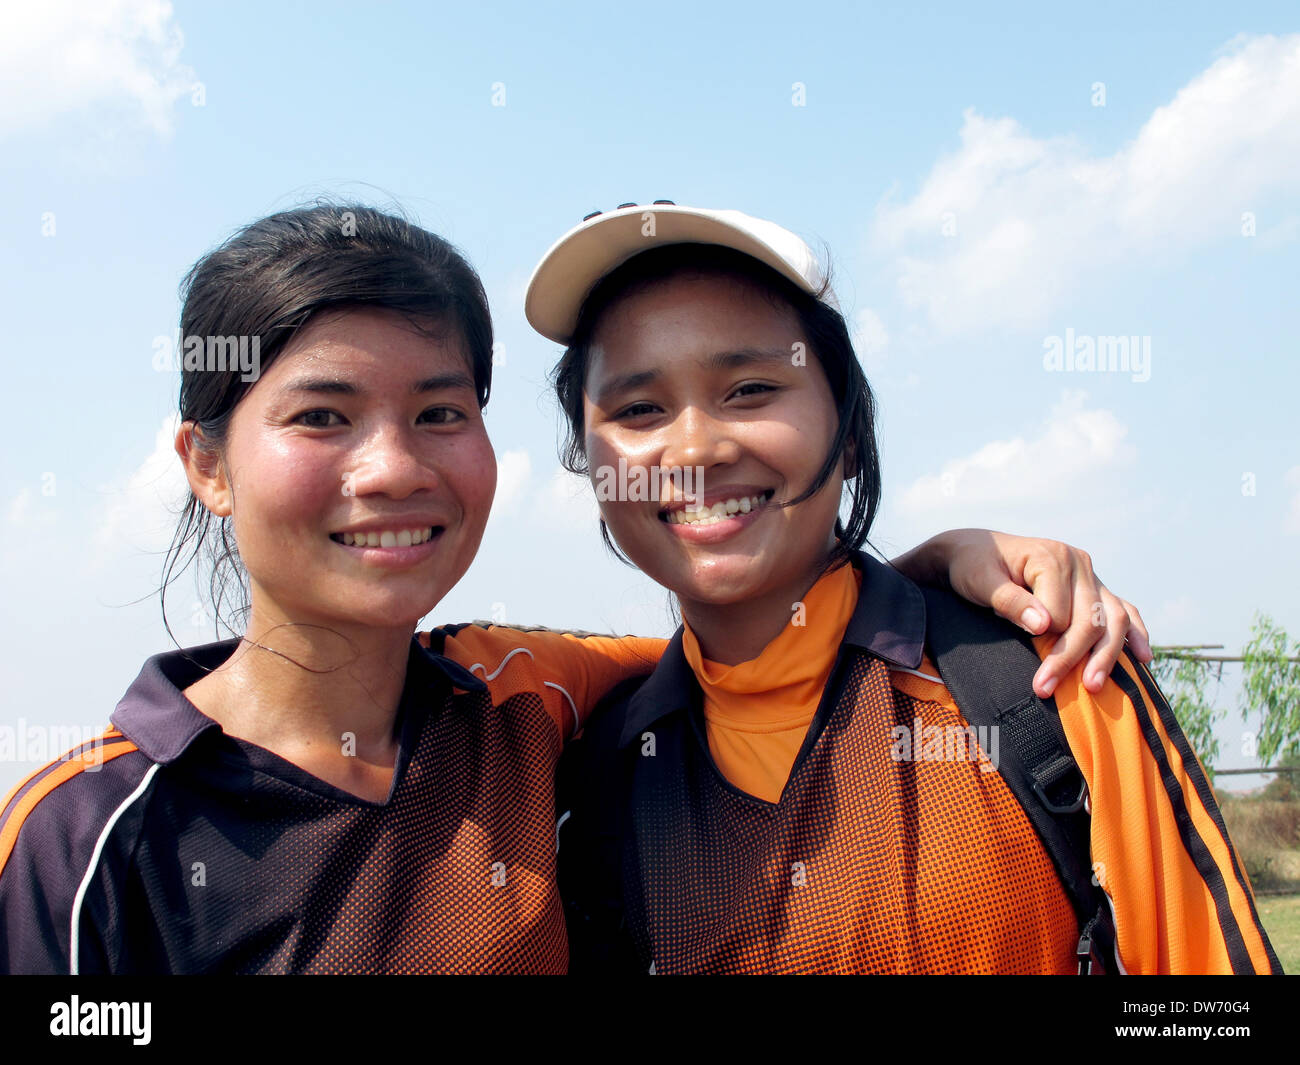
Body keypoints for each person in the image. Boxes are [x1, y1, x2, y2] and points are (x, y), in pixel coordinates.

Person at [0, 204, 1147, 974]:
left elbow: (776, 648)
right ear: (205, 463)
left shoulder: (535, 701)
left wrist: (935, 576)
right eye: (321, 415)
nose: (394, 464)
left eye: (441, 412)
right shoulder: (86, 837)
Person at [529, 202, 1281, 974]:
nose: (695, 447)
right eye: (639, 408)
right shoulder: (590, 776)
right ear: (591, 463)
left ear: (849, 432)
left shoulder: (1054, 676)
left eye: (751, 388)